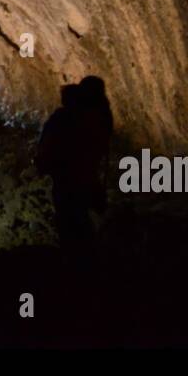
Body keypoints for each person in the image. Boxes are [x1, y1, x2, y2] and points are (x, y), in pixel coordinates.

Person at [36, 75, 114, 250]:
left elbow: (50, 146)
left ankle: (76, 263)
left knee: (69, 221)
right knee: (82, 219)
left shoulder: (66, 118)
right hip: (88, 176)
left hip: (67, 179)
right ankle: (87, 261)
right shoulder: (100, 117)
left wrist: (44, 164)